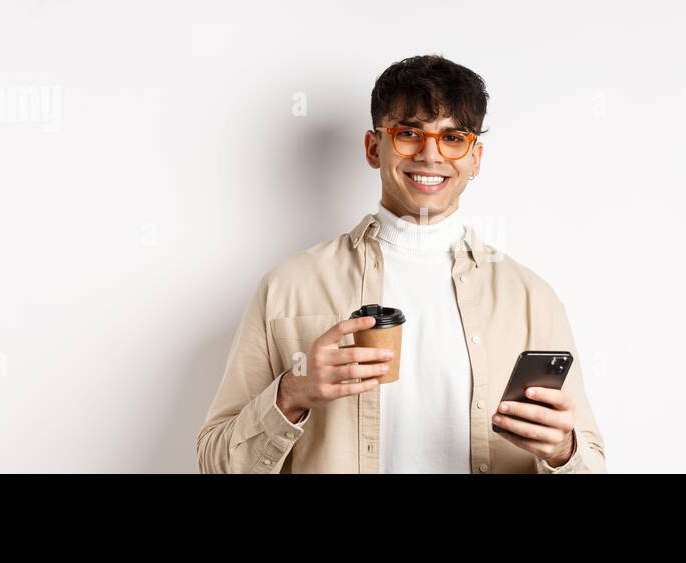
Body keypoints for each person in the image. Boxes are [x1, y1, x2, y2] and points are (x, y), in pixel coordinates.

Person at [197, 54, 605, 473]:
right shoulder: (287, 287)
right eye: (410, 133)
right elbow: (214, 463)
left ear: (475, 158)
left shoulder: (530, 298)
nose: (431, 155)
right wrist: (291, 394)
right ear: (375, 148)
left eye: (453, 138)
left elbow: (591, 461)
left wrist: (561, 452)